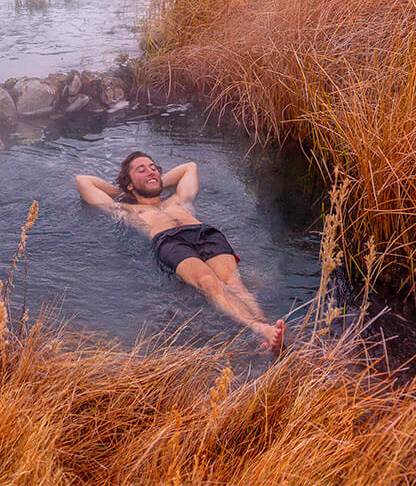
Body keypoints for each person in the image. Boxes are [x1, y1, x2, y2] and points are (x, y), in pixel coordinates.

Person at [76, 150, 285, 355]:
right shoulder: (125, 210)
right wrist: (124, 190)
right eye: (141, 170)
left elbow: (189, 168)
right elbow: (83, 181)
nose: (151, 171)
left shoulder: (178, 200)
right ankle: (259, 328)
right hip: (170, 241)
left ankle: (268, 330)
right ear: (129, 183)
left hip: (206, 234)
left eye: (153, 168)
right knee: (208, 282)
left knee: (234, 283)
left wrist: (152, 180)